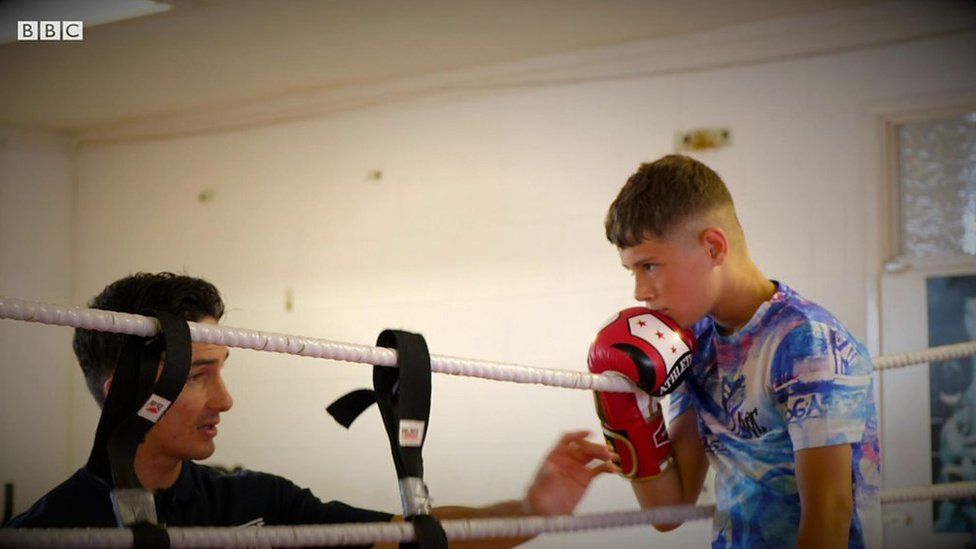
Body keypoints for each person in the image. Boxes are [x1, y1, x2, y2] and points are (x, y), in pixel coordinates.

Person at [7, 272, 617, 549]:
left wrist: (533, 511)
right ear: (124, 391)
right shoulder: (46, 533)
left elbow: (404, 539)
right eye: (199, 375)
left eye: (224, 369)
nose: (225, 399)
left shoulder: (258, 503)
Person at [588, 155, 881, 548]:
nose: (640, 291)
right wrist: (628, 418)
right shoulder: (694, 342)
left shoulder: (806, 342)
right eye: (633, 272)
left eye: (650, 266)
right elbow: (668, 509)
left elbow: (829, 511)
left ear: (713, 246)